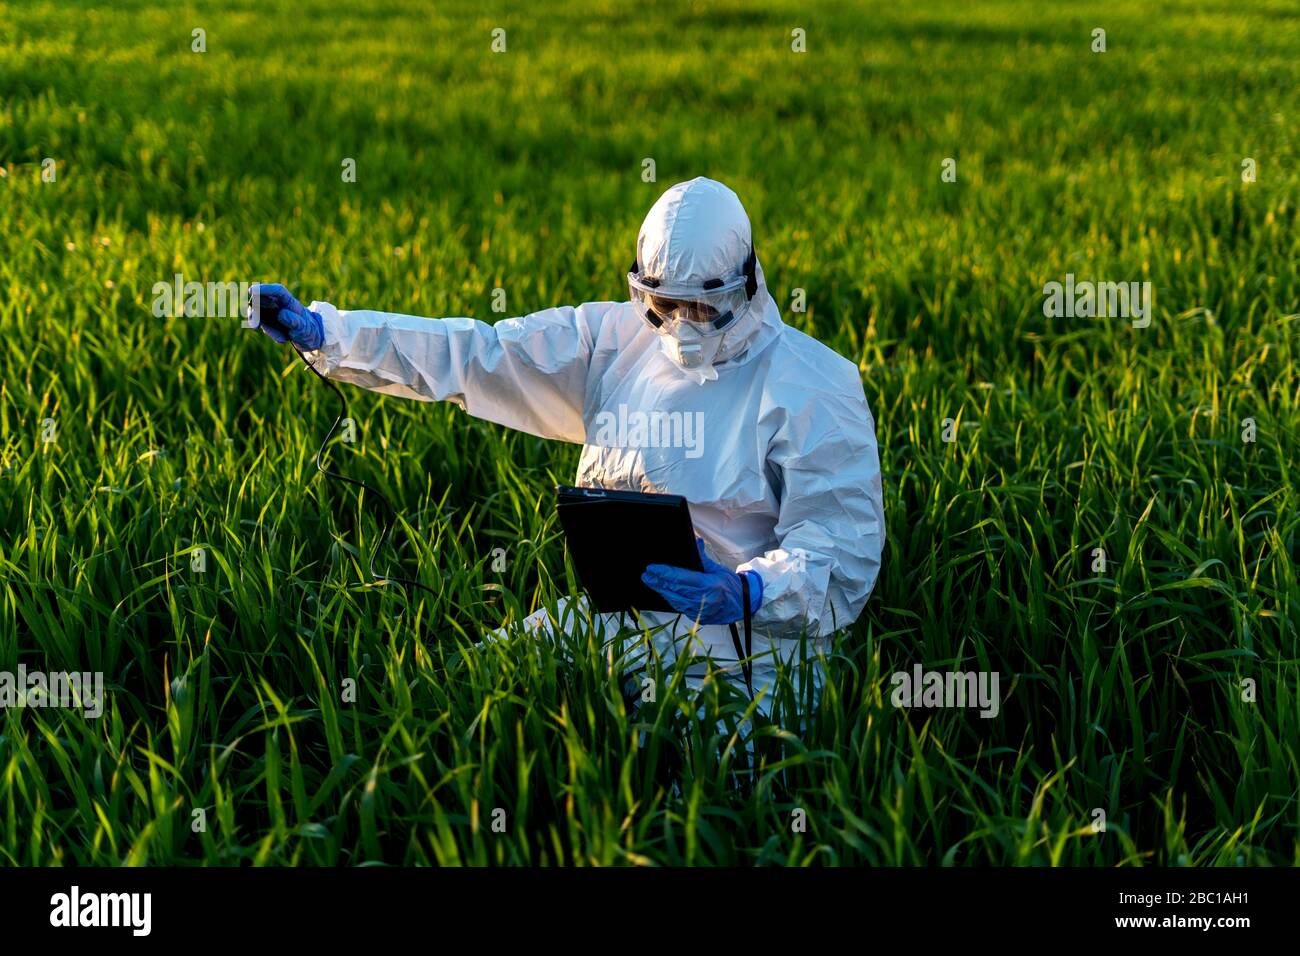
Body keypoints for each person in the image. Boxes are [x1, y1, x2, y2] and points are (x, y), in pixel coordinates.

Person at [250, 177, 885, 716]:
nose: (682, 328)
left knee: (692, 790)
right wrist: (332, 335)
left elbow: (841, 553)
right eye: (665, 305)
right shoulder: (615, 341)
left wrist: (750, 591)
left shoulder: (813, 384)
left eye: (703, 308)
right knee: (455, 699)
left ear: (746, 283)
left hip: (751, 651)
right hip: (613, 618)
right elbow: (478, 355)